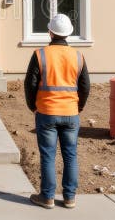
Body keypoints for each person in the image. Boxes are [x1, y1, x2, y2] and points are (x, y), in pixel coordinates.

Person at [24, 13, 90, 209]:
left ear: (50, 32)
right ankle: (69, 197)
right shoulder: (78, 56)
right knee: (70, 155)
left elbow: (30, 84)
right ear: (68, 34)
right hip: (71, 113)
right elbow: (85, 86)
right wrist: (78, 107)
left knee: (48, 155)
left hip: (46, 112)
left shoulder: (40, 54)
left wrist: (33, 106)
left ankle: (47, 197)